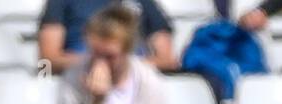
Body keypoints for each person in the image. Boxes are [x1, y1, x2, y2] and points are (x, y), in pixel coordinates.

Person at [39, 0, 179, 73]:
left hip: (136, 84)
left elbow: (167, 60)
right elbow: (46, 61)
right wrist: (96, 62)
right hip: (80, 81)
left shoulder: (144, 2)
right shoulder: (61, 2)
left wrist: (120, 64)